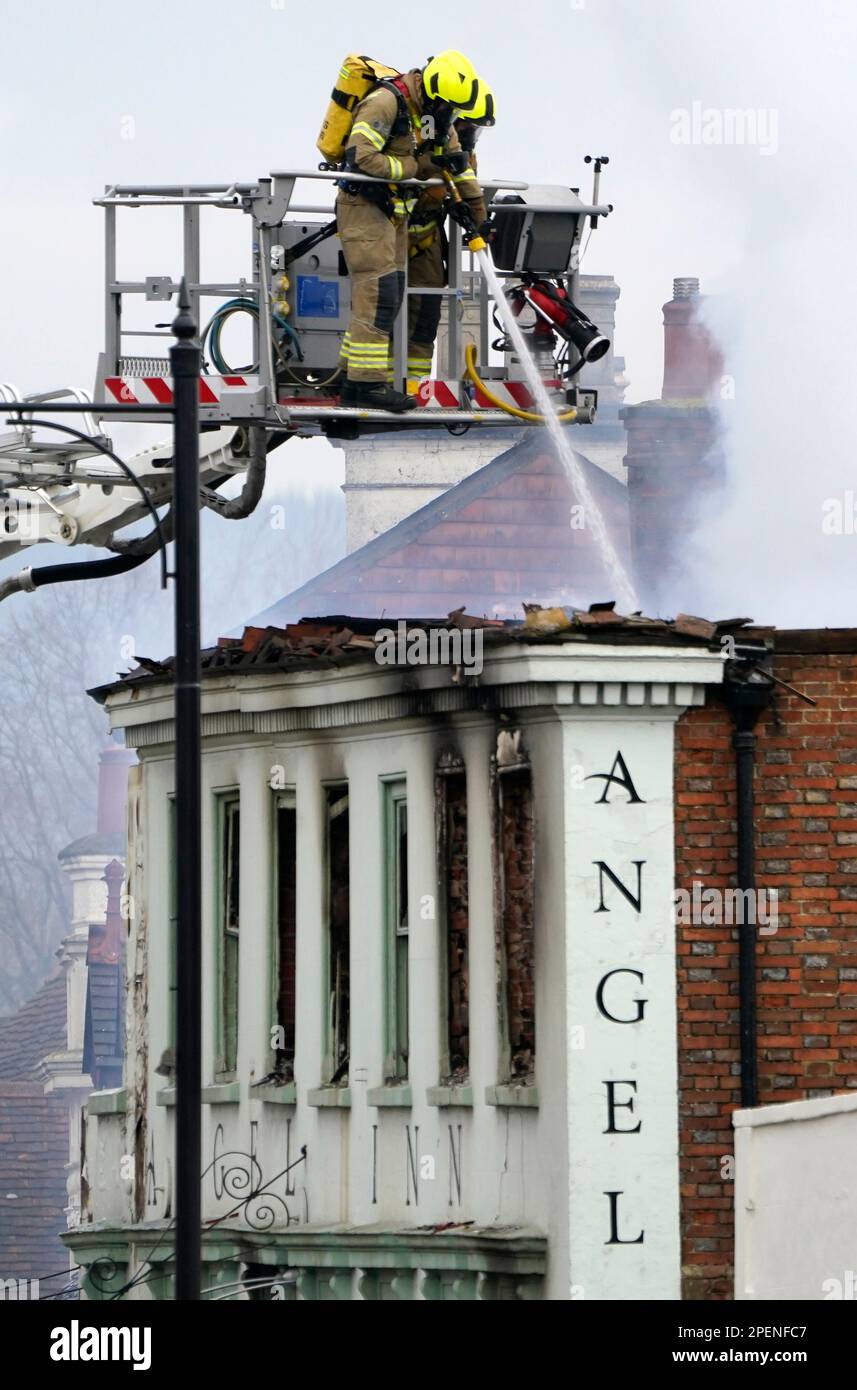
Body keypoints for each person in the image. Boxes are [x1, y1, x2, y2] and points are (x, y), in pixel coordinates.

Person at [336, 51, 493, 412]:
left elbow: (457, 164)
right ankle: (365, 385)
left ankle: (353, 377)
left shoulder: (434, 114)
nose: (450, 118)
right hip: (364, 208)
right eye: (447, 108)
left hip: (393, 215)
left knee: (391, 295)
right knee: (379, 292)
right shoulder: (385, 103)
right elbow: (360, 157)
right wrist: (412, 167)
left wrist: (478, 213)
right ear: (429, 88)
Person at [407, 102, 496, 382]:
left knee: (425, 317)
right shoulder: (424, 143)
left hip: (427, 244)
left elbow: (467, 188)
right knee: (388, 313)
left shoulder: (460, 154)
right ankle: (382, 380)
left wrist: (479, 223)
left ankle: (414, 384)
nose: (471, 136)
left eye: (476, 131)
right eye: (468, 128)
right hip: (400, 239)